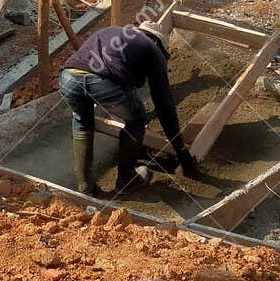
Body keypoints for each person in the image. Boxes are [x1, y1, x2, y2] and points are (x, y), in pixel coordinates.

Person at [57, 18, 195, 196]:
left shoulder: (113, 31)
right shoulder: (152, 49)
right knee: (136, 121)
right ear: (156, 41)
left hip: (68, 77)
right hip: (103, 83)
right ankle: (126, 180)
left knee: (82, 121)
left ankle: (86, 188)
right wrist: (180, 150)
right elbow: (164, 105)